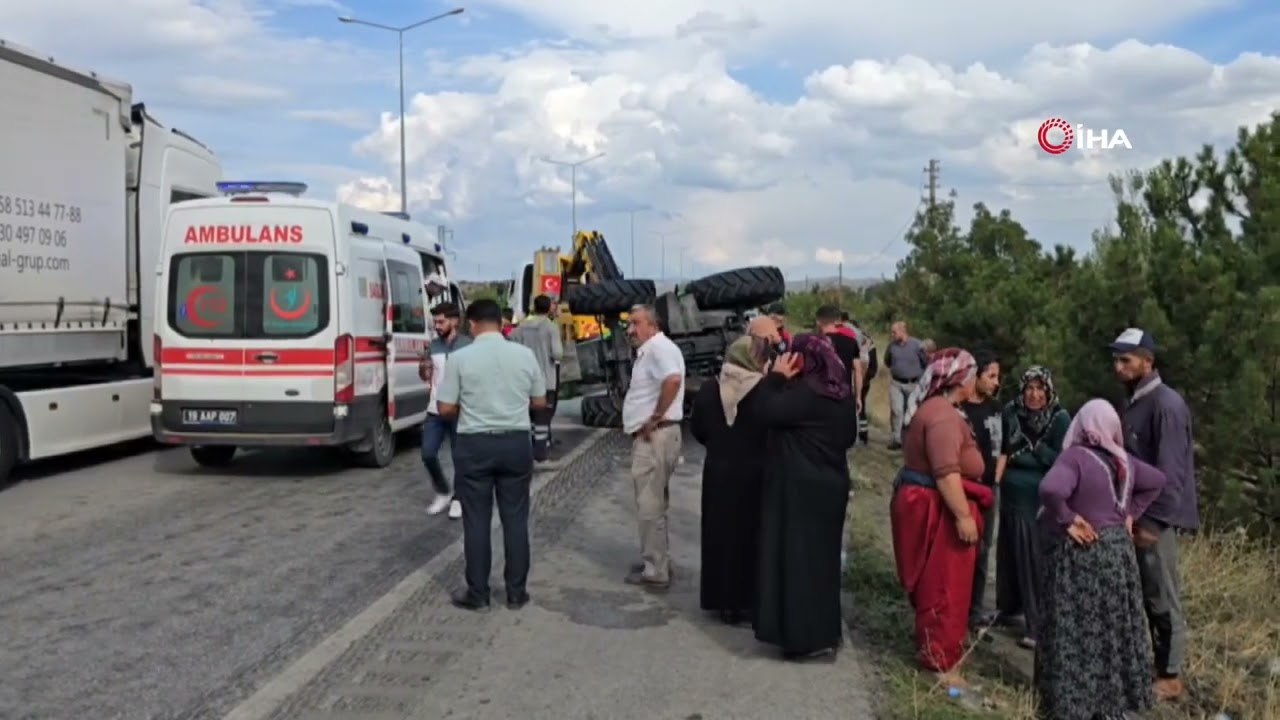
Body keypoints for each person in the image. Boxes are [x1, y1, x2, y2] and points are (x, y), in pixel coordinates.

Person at [1035, 399, 1168, 720]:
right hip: (1118, 555)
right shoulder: (1124, 461)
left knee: (1074, 626)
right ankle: (1109, 705)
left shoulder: (1075, 457)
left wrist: (1068, 518)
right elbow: (1158, 481)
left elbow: (1050, 489)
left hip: (1083, 553)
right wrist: (1130, 514)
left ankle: (1071, 703)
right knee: (1111, 628)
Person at [889, 348, 994, 686]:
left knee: (939, 585)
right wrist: (963, 516)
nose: (973, 381)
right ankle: (939, 661)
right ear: (960, 379)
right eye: (972, 374)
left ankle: (937, 648)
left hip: (935, 503)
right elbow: (946, 473)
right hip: (941, 510)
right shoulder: (944, 419)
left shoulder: (939, 410)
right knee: (944, 587)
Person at [434, 299, 547, 612]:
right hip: (515, 443)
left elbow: (445, 408)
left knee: (476, 521)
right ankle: (516, 593)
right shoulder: (524, 355)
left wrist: (470, 406)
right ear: (500, 322)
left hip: (475, 445)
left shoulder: (460, 358)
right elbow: (539, 401)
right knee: (515, 519)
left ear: (471, 324)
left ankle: (479, 594)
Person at [754, 334, 859, 659]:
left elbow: (762, 412)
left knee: (798, 563)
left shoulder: (805, 395)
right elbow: (849, 437)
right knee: (824, 564)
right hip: (832, 486)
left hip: (801, 490)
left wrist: (775, 378)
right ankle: (825, 633)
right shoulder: (842, 396)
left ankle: (801, 638)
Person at [1109, 328, 1197, 702]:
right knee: (1144, 593)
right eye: (1116, 360)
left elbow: (1170, 473)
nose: (1118, 367)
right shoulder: (1134, 400)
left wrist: (1154, 523)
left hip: (1153, 520)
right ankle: (1151, 665)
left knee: (1162, 595)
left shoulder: (1166, 405)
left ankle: (1171, 674)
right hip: (1134, 514)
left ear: (1148, 361)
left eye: (1125, 360)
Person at [690, 335, 770, 625]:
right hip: (754, 472)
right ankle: (745, 602)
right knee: (748, 536)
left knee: (718, 534)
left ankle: (719, 599)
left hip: (718, 471)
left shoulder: (710, 388)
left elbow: (698, 429)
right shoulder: (764, 390)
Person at [997, 366, 1070, 648]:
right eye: (1029, 388)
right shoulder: (1011, 412)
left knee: (1032, 559)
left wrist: (1036, 451)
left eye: (1040, 388)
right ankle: (1008, 608)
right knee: (1008, 554)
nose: (1034, 394)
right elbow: (1004, 449)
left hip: (1036, 500)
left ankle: (1037, 625)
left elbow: (1061, 460)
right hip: (1010, 495)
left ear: (1049, 391)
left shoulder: (1059, 418)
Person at [621, 304, 686, 591]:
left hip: (655, 437)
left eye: (636, 323)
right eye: (629, 324)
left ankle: (655, 570)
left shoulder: (659, 349)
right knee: (656, 502)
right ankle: (659, 560)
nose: (630, 330)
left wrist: (655, 417)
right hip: (658, 435)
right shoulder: (654, 349)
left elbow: (673, 379)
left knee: (649, 504)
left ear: (653, 324)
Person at [961, 351, 1004, 629]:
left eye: (998, 377)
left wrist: (995, 480)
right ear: (976, 375)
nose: (996, 382)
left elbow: (1005, 449)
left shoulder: (997, 409)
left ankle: (975, 609)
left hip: (989, 489)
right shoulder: (960, 409)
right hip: (964, 489)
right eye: (991, 376)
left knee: (982, 550)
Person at [420, 302, 471, 519]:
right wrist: (423, 368)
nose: (437, 326)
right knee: (428, 453)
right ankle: (443, 491)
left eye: (441, 322)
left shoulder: (469, 345)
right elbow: (425, 376)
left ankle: (459, 498)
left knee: (460, 457)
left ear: (455, 321)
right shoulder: (433, 346)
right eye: (435, 322)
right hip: (435, 410)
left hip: (461, 410)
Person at [508, 294, 563, 462]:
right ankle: (540, 454)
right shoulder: (550, 327)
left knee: (528, 417)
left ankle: (527, 451)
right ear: (548, 308)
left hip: (524, 380)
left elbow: (510, 341)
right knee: (543, 418)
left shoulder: (521, 327)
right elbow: (557, 353)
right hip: (546, 379)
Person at [885, 321, 929, 450]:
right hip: (896, 383)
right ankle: (896, 439)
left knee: (912, 413)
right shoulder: (891, 346)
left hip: (913, 384)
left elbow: (926, 362)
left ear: (903, 330)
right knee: (897, 410)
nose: (892, 334)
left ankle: (911, 440)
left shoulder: (917, 345)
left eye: (894, 332)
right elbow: (887, 361)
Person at [816, 305, 864, 418]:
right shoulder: (851, 342)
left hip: (821, 398)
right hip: (844, 396)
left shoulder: (815, 343)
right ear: (836, 321)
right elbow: (858, 371)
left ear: (818, 322)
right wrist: (858, 397)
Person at [844, 312, 878, 444]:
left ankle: (860, 435)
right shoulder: (868, 342)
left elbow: (872, 364)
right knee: (859, 406)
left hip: (860, 380)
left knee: (858, 406)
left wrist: (865, 378)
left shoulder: (860, 343)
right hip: (861, 379)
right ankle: (860, 434)